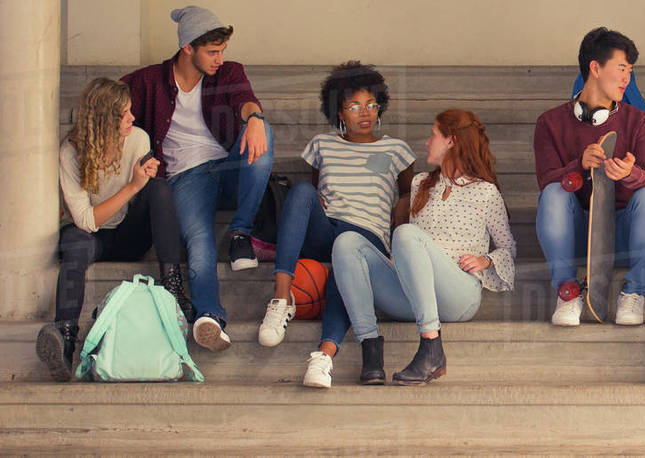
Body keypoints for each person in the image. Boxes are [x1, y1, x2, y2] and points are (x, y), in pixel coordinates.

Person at [303, 109, 515, 388]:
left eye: (433, 135)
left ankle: (431, 346)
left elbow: (508, 248)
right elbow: (411, 244)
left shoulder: (485, 192)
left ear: (451, 141)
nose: (427, 142)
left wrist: (485, 260)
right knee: (347, 242)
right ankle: (370, 350)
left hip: (458, 294)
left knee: (405, 234)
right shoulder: (420, 184)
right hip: (412, 295)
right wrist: (399, 258)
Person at [121, 6, 273, 351]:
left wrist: (255, 118)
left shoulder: (228, 73)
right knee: (200, 240)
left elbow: (245, 100)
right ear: (187, 47)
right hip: (188, 178)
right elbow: (105, 104)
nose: (220, 58)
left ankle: (240, 232)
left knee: (265, 133)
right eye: (212, 52)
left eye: (222, 50)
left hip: (231, 167)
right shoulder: (148, 81)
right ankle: (209, 318)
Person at [36, 78, 188, 382]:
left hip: (128, 234)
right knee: (76, 244)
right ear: (104, 120)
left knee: (158, 189)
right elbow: (86, 221)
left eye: (131, 110)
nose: (132, 118)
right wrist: (132, 185)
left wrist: (141, 185)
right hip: (93, 238)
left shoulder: (138, 139)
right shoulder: (71, 152)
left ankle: (173, 289)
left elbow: (142, 195)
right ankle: (65, 337)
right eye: (124, 114)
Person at [257, 61, 415, 349]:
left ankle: (324, 354)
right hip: (326, 230)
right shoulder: (322, 144)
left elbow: (406, 198)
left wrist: (399, 247)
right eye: (354, 106)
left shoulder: (397, 149)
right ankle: (280, 300)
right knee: (303, 191)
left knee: (346, 256)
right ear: (339, 111)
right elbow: (316, 189)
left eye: (371, 104)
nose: (365, 113)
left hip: (367, 236)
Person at [534, 27, 645, 327]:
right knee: (554, 193)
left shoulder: (639, 122)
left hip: (625, 236)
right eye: (621, 69)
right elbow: (546, 181)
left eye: (630, 71)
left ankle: (635, 291)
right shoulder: (550, 123)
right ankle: (568, 293)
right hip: (577, 235)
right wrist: (578, 165)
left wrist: (630, 174)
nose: (627, 79)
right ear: (595, 68)